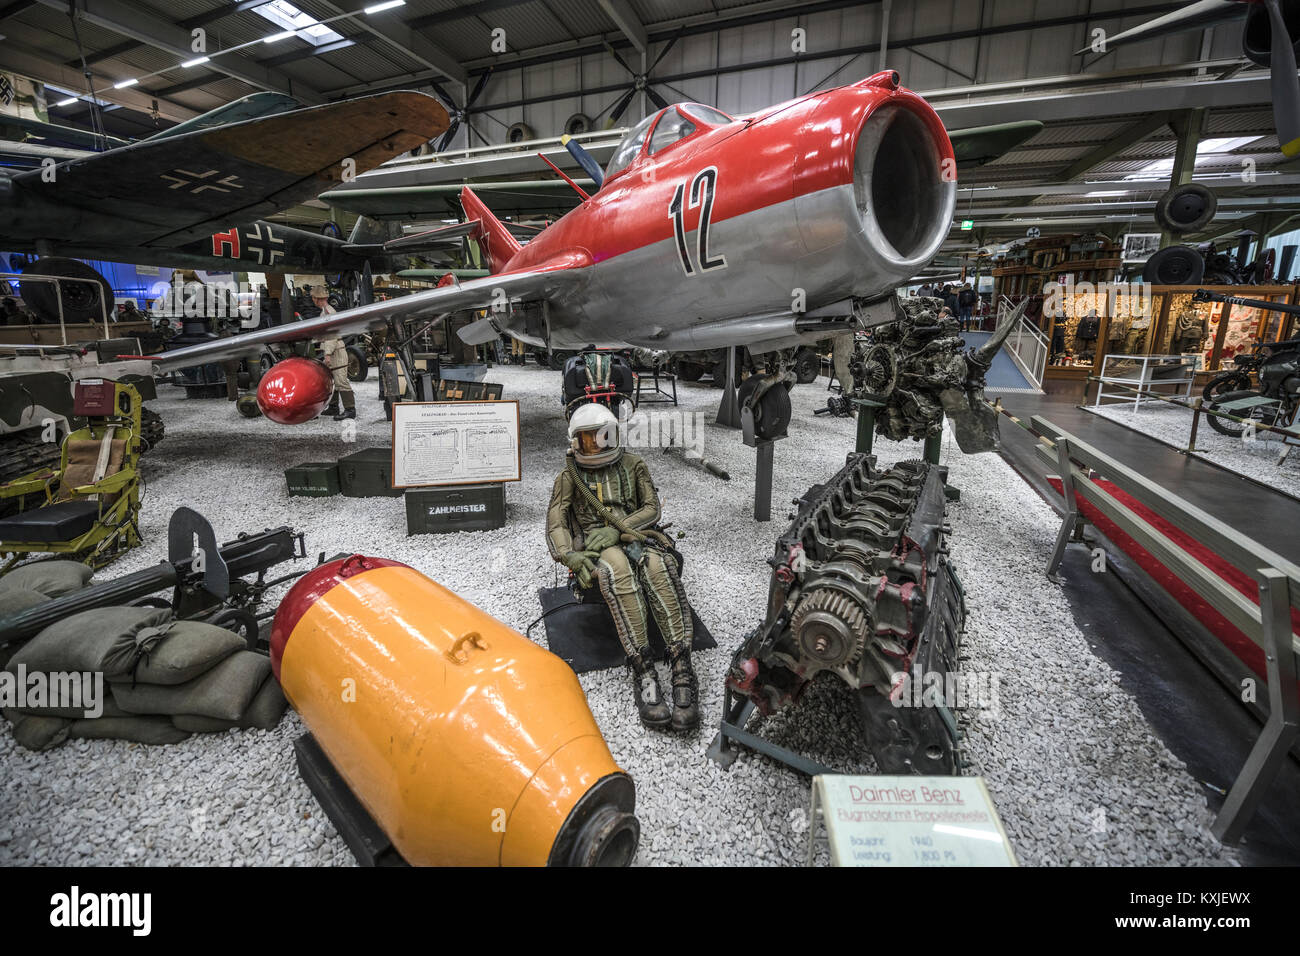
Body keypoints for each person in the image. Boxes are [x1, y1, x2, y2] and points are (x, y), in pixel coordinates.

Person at [546, 402, 699, 731]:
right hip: (597, 547)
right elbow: (557, 521)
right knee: (618, 573)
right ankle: (643, 667)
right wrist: (567, 554)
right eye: (590, 440)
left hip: (636, 534)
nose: (599, 445)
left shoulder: (633, 464)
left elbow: (651, 508)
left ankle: (681, 664)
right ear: (575, 442)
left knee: (659, 568)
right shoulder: (569, 477)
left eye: (605, 437)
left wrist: (617, 528)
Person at [311, 282, 355, 420]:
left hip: (336, 351)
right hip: (333, 350)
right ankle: (334, 407)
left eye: (313, 297)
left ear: (317, 299)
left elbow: (332, 335)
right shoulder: (325, 311)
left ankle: (350, 410)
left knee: (341, 380)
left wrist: (328, 354)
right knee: (333, 380)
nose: (313, 300)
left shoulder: (328, 313)